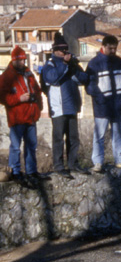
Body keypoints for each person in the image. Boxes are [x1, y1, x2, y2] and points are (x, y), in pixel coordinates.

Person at [40, 34, 87, 177]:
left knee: (73, 137)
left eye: (66, 49)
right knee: (58, 138)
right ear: (55, 51)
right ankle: (59, 165)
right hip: (58, 107)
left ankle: (73, 163)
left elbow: (85, 78)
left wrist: (74, 67)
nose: (64, 52)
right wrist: (65, 65)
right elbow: (52, 78)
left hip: (71, 105)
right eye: (61, 50)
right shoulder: (50, 65)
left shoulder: (71, 63)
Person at [86, 34, 121, 170]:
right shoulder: (94, 64)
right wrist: (100, 99)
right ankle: (98, 161)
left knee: (118, 134)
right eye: (110, 48)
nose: (113, 51)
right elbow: (90, 86)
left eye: (115, 48)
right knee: (99, 135)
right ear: (103, 46)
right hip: (102, 107)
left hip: (117, 106)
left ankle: (120, 158)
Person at [1, 45, 43, 185]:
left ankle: (31, 171)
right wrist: (20, 99)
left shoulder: (29, 73)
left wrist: (39, 107)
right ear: (13, 60)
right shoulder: (6, 76)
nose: (22, 63)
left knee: (31, 145)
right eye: (19, 60)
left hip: (30, 116)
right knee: (15, 146)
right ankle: (15, 171)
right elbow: (2, 98)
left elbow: (37, 91)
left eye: (23, 60)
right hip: (17, 118)